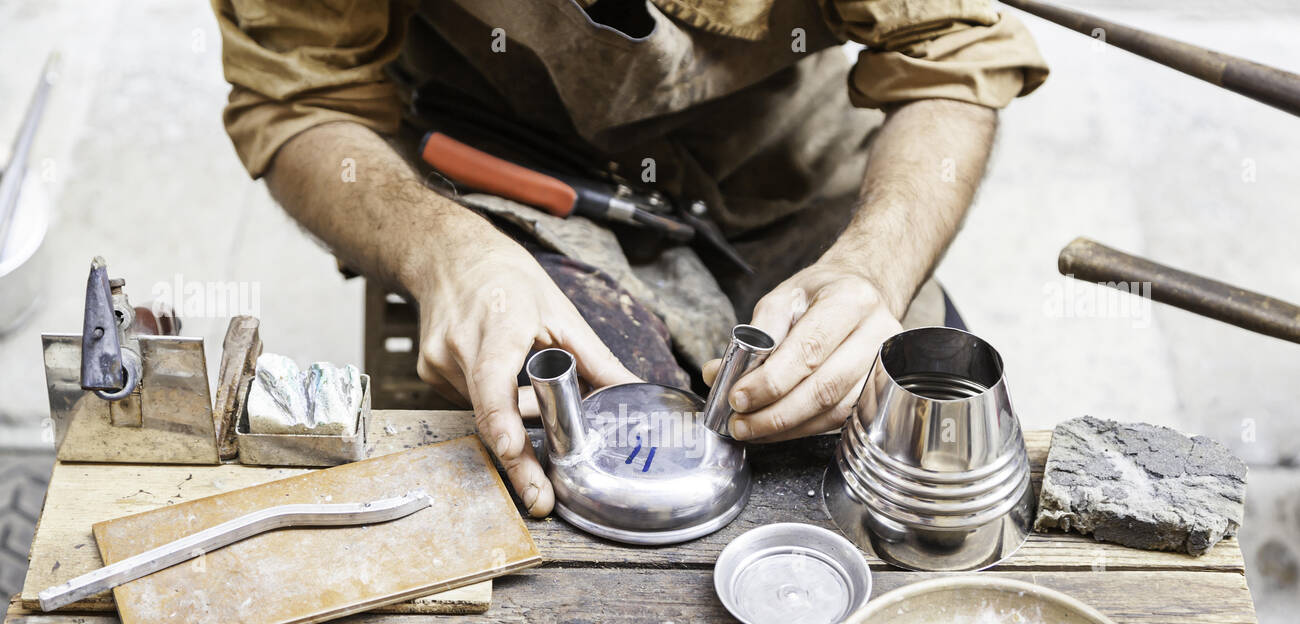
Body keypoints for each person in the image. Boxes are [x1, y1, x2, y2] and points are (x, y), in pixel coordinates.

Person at [212, 0, 1047, 514]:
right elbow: (298, 98)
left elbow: (947, 47)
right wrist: (443, 251)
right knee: (587, 463)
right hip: (508, 159)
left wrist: (874, 267)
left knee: (904, 444)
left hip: (783, 151)